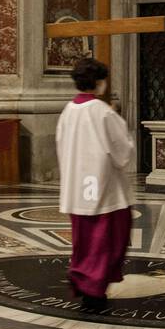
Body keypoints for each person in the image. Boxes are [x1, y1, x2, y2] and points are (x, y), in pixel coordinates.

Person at [56, 57, 134, 312]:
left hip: (78, 187)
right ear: (99, 81)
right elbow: (123, 151)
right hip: (103, 189)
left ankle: (84, 282)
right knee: (105, 244)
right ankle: (94, 293)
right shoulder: (102, 112)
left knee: (85, 242)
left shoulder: (69, 111)